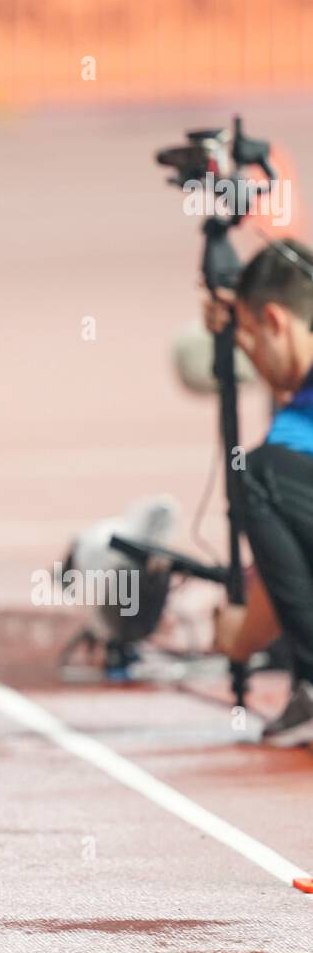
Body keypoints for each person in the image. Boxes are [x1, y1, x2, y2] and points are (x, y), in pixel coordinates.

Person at [205, 238, 313, 746]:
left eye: (249, 341)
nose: (252, 361)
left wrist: (240, 637)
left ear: (274, 321)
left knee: (258, 473)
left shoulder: (295, 431)